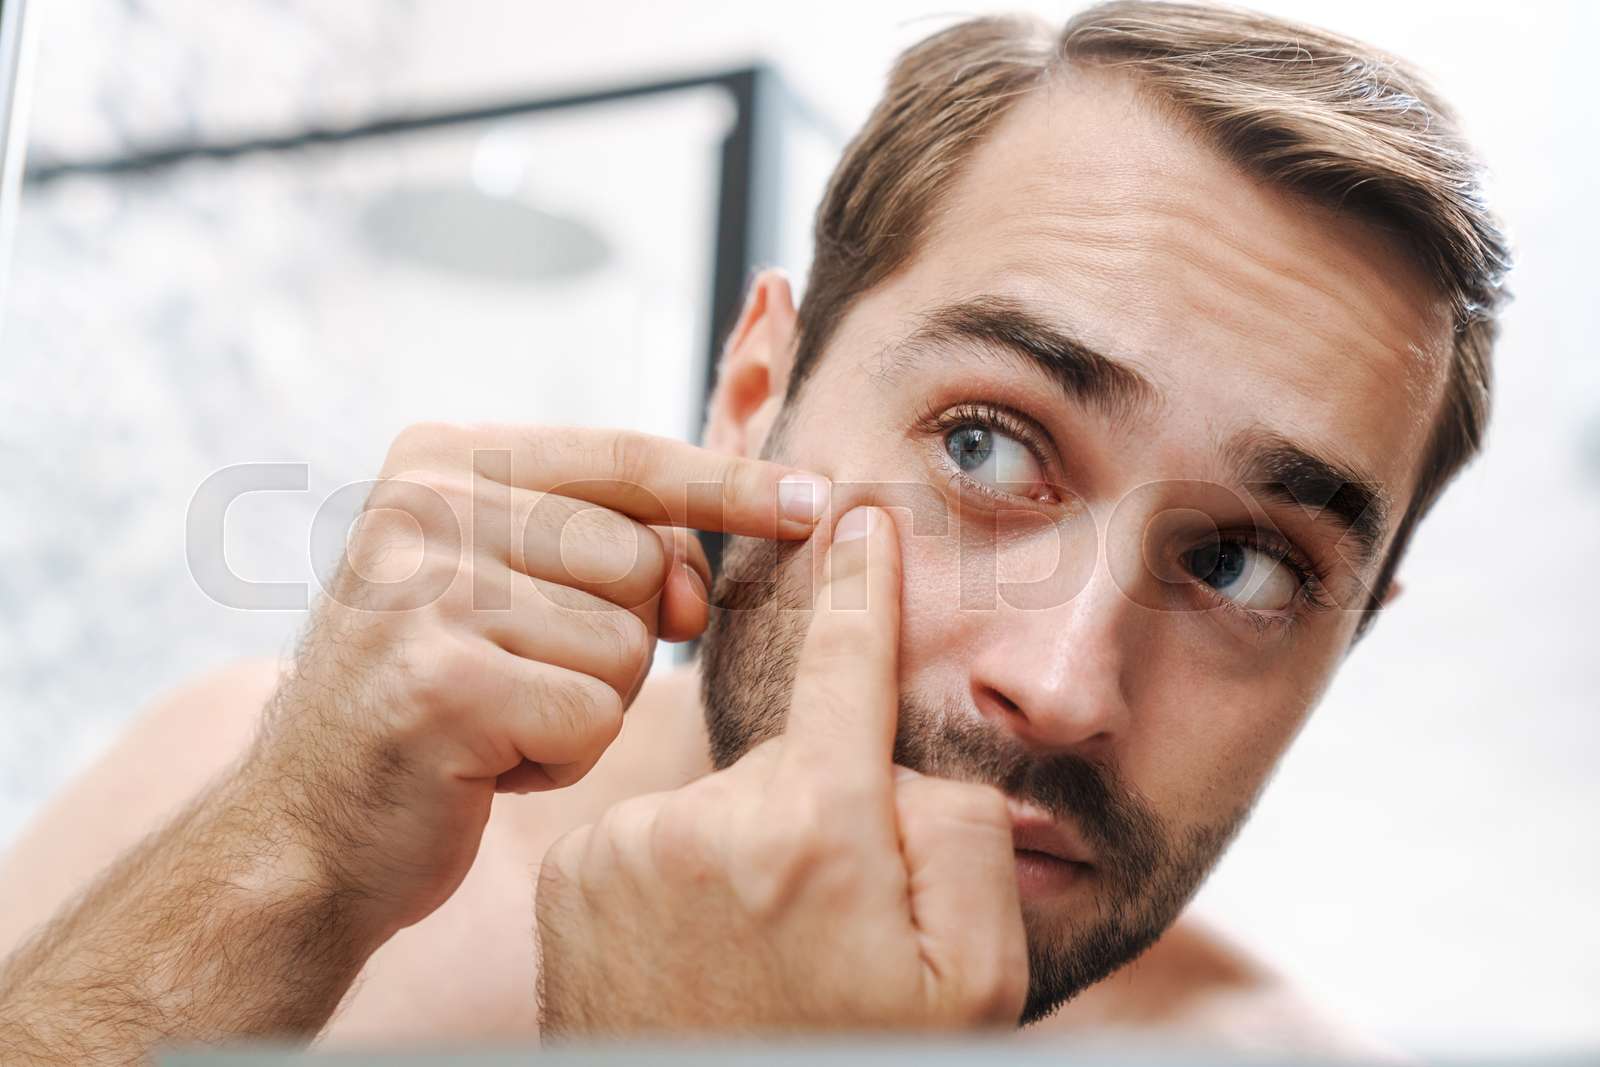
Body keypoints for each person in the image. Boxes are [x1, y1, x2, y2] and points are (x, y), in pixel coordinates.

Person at [0, 1, 1509, 1061]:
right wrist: (290, 863)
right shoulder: (240, 793)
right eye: (988, 446)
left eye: (1244, 565)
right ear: (749, 396)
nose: (1063, 684)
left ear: (1348, 635)